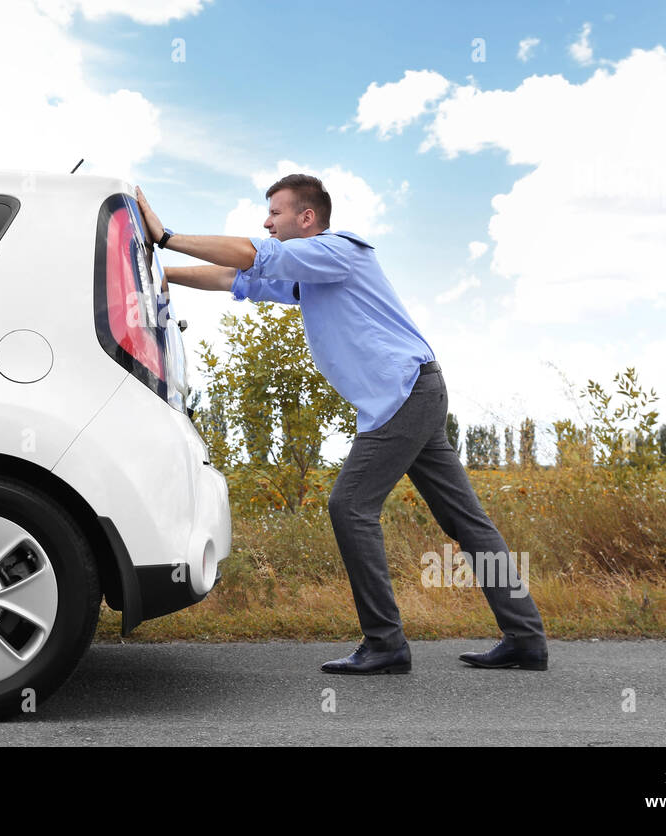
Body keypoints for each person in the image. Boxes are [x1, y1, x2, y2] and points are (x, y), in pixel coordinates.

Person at [134, 174, 548, 674]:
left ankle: (386, 644)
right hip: (412, 392)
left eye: (276, 213)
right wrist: (158, 272)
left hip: (404, 394)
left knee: (349, 505)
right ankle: (525, 637)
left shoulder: (336, 251)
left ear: (306, 218)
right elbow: (231, 277)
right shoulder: (311, 271)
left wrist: (166, 236)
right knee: (465, 520)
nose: (267, 221)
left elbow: (249, 254)